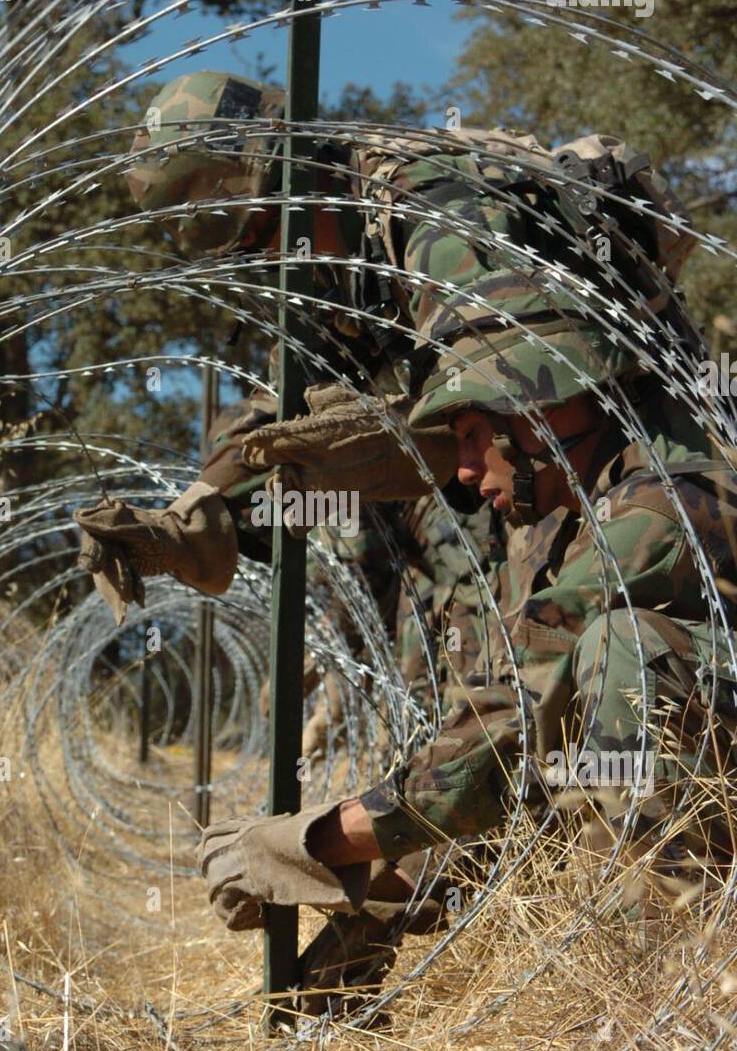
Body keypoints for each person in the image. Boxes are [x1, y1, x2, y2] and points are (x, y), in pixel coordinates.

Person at [198, 319, 737, 1012]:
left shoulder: (660, 503)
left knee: (622, 652)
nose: (463, 471)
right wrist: (348, 953)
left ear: (537, 411)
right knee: (564, 731)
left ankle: (672, 1005)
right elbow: (505, 774)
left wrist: (308, 844)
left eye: (474, 437)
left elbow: (502, 728)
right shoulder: (581, 504)